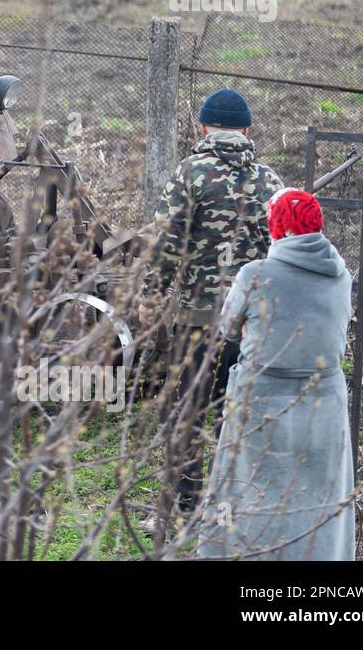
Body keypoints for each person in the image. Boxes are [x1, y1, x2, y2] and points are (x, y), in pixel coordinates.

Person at [142, 88, 284, 514]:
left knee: (188, 411)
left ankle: (185, 506)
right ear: (247, 129)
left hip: (197, 320)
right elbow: (284, 251)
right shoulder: (270, 181)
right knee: (238, 411)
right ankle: (235, 500)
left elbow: (165, 245)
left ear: (204, 127)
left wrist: (151, 296)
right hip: (253, 323)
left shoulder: (190, 173)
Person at [197, 188, 355, 560]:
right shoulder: (340, 273)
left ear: (277, 227)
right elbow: (335, 338)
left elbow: (227, 329)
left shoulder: (255, 273)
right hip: (325, 399)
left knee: (250, 489)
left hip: (262, 399)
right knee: (320, 493)